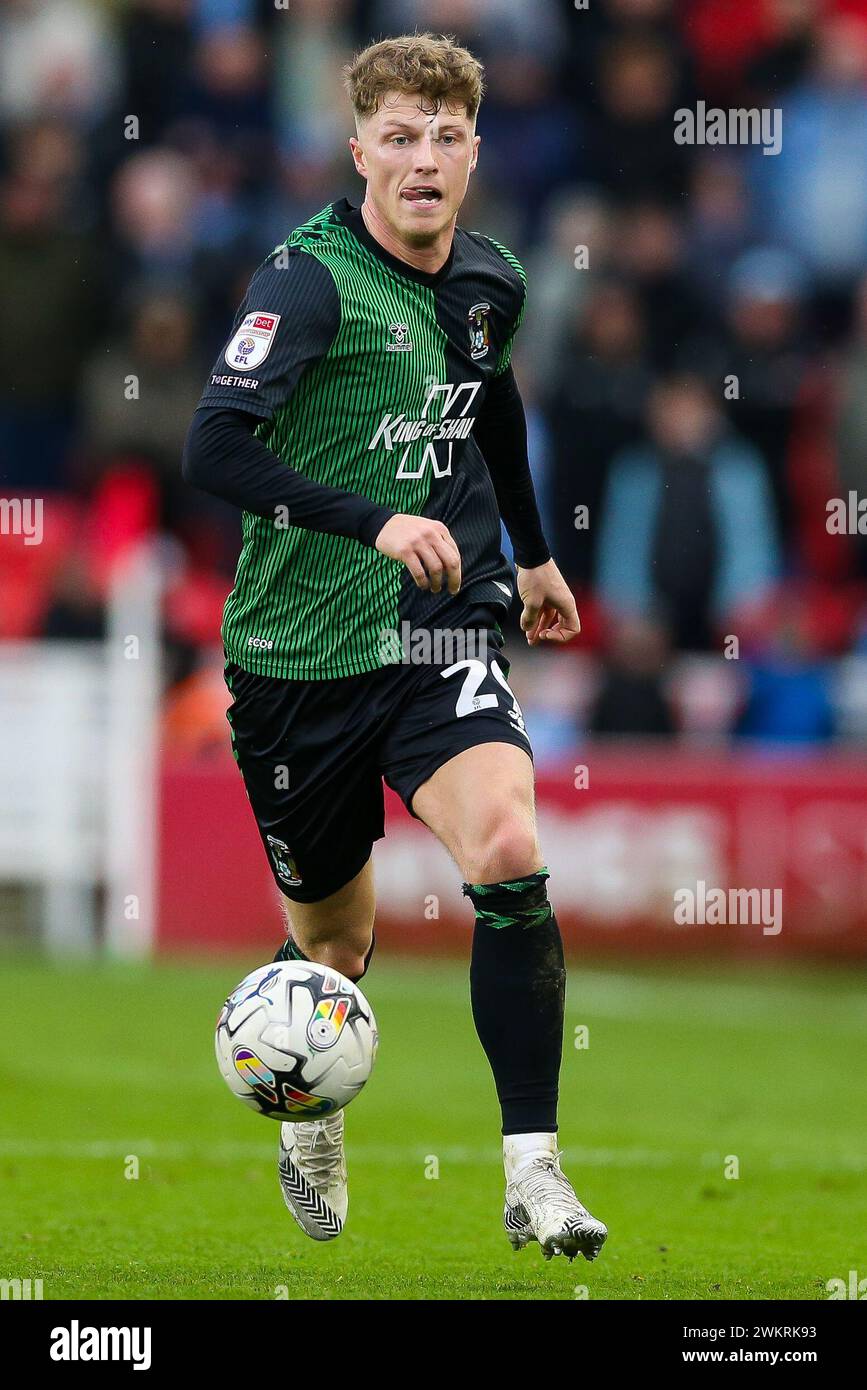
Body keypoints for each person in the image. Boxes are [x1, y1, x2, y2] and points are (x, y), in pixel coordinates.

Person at [183, 32, 607, 1265]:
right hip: (294, 652)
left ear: (475, 150)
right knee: (331, 945)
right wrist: (372, 519)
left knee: (511, 848)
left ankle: (535, 1174)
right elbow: (213, 446)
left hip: (437, 623)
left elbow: (495, 398)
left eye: (448, 136)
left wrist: (528, 555)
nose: (426, 159)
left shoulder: (491, 280)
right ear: (359, 147)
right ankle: (311, 1111)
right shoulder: (305, 282)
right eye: (403, 136)